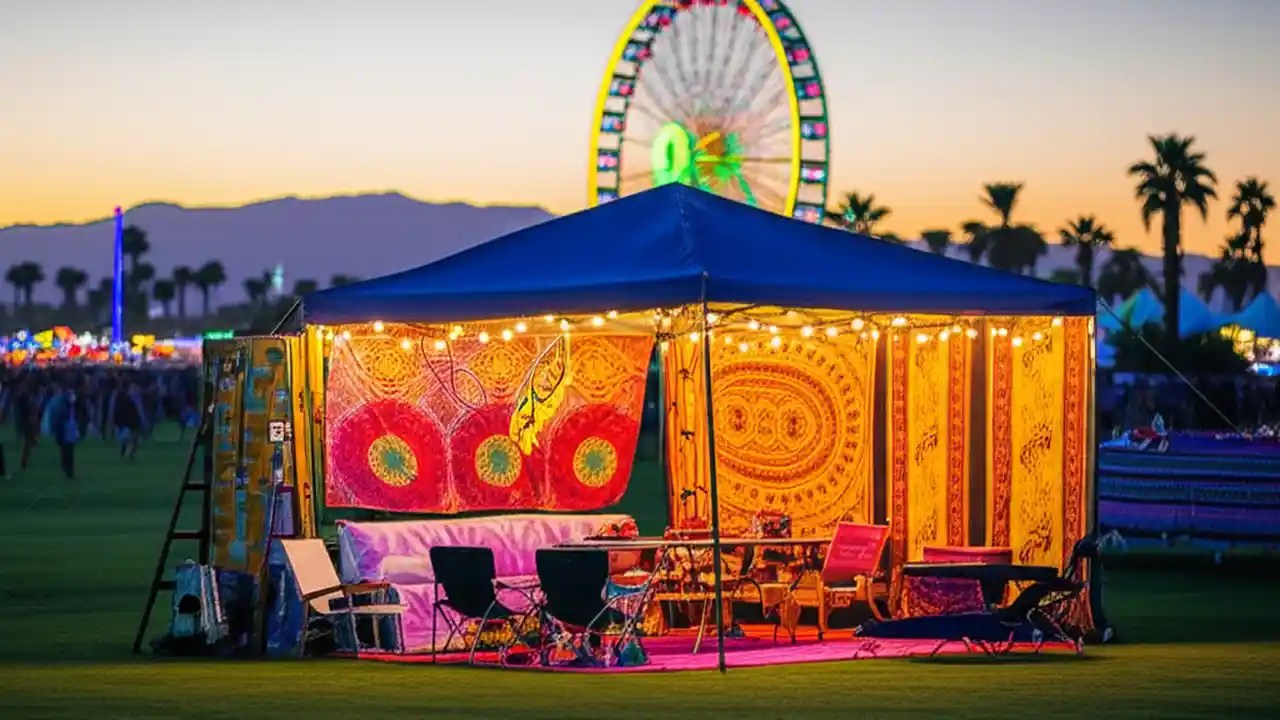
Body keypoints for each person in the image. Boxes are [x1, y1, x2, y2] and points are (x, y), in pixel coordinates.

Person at [44, 384, 79, 479]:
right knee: (68, 450)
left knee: (65, 449)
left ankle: (66, 468)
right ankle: (69, 470)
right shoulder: (65, 403)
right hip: (67, 428)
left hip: (65, 428)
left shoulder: (60, 402)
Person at [113, 382, 143, 461]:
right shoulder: (125, 397)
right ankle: (129, 454)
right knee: (133, 438)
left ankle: (127, 453)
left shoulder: (123, 397)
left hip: (128, 420)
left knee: (129, 438)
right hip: (130, 420)